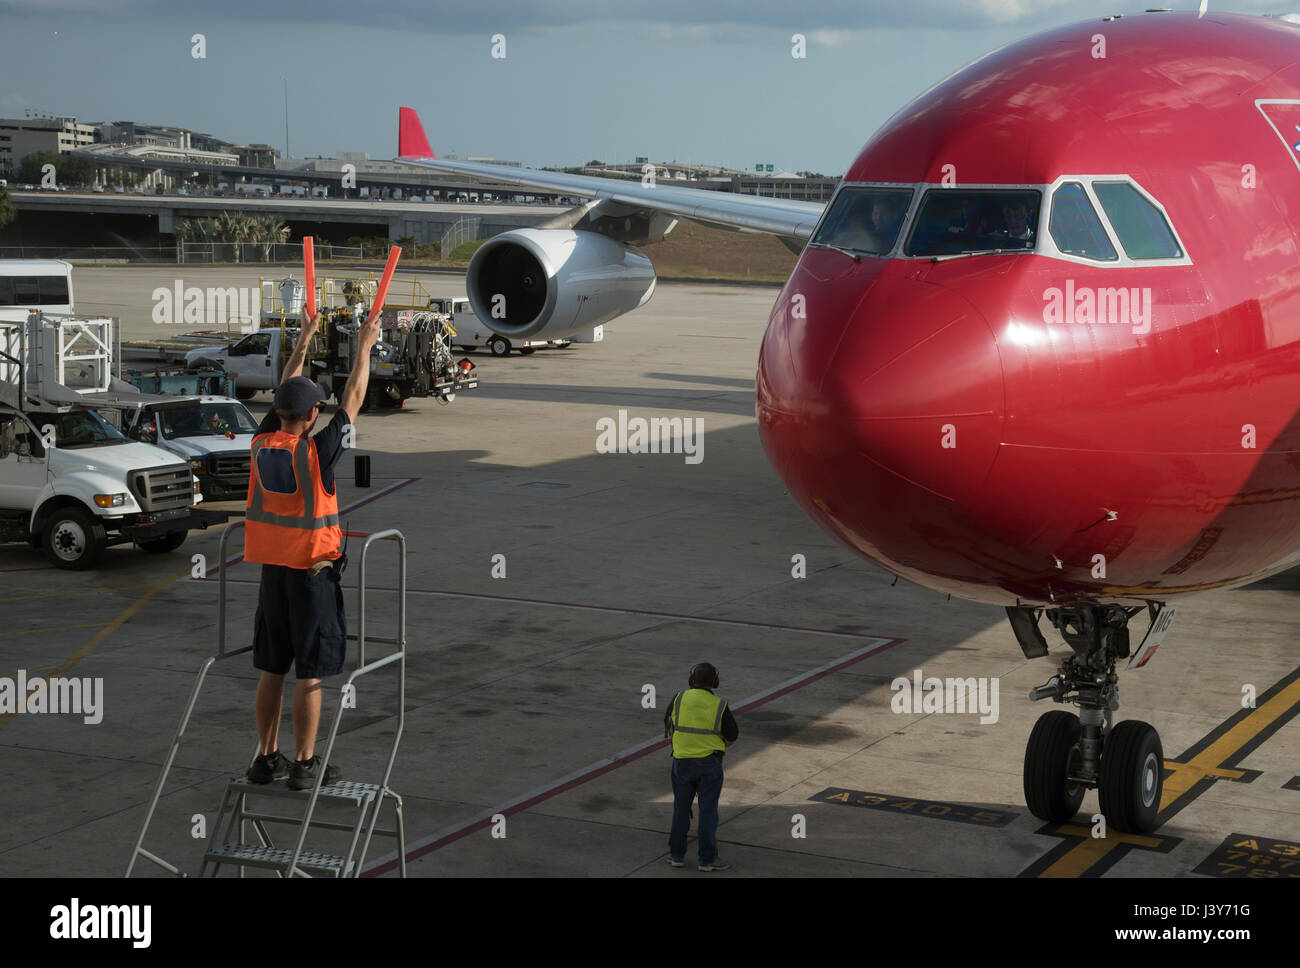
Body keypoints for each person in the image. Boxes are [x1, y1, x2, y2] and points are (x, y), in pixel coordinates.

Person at [243, 307, 381, 790]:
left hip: (272, 575)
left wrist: (302, 340)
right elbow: (356, 398)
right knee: (311, 672)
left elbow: (288, 385)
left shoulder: (262, 442)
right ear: (311, 415)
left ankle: (266, 758)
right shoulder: (314, 453)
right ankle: (304, 763)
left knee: (271, 668)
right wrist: (364, 345)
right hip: (312, 575)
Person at [664, 662, 739, 871]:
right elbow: (732, 737)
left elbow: (668, 724)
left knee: (680, 809)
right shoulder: (720, 705)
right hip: (709, 764)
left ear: (691, 680)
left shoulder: (678, 698)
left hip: (681, 763)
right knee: (707, 811)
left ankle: (676, 855)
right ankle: (707, 860)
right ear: (714, 682)